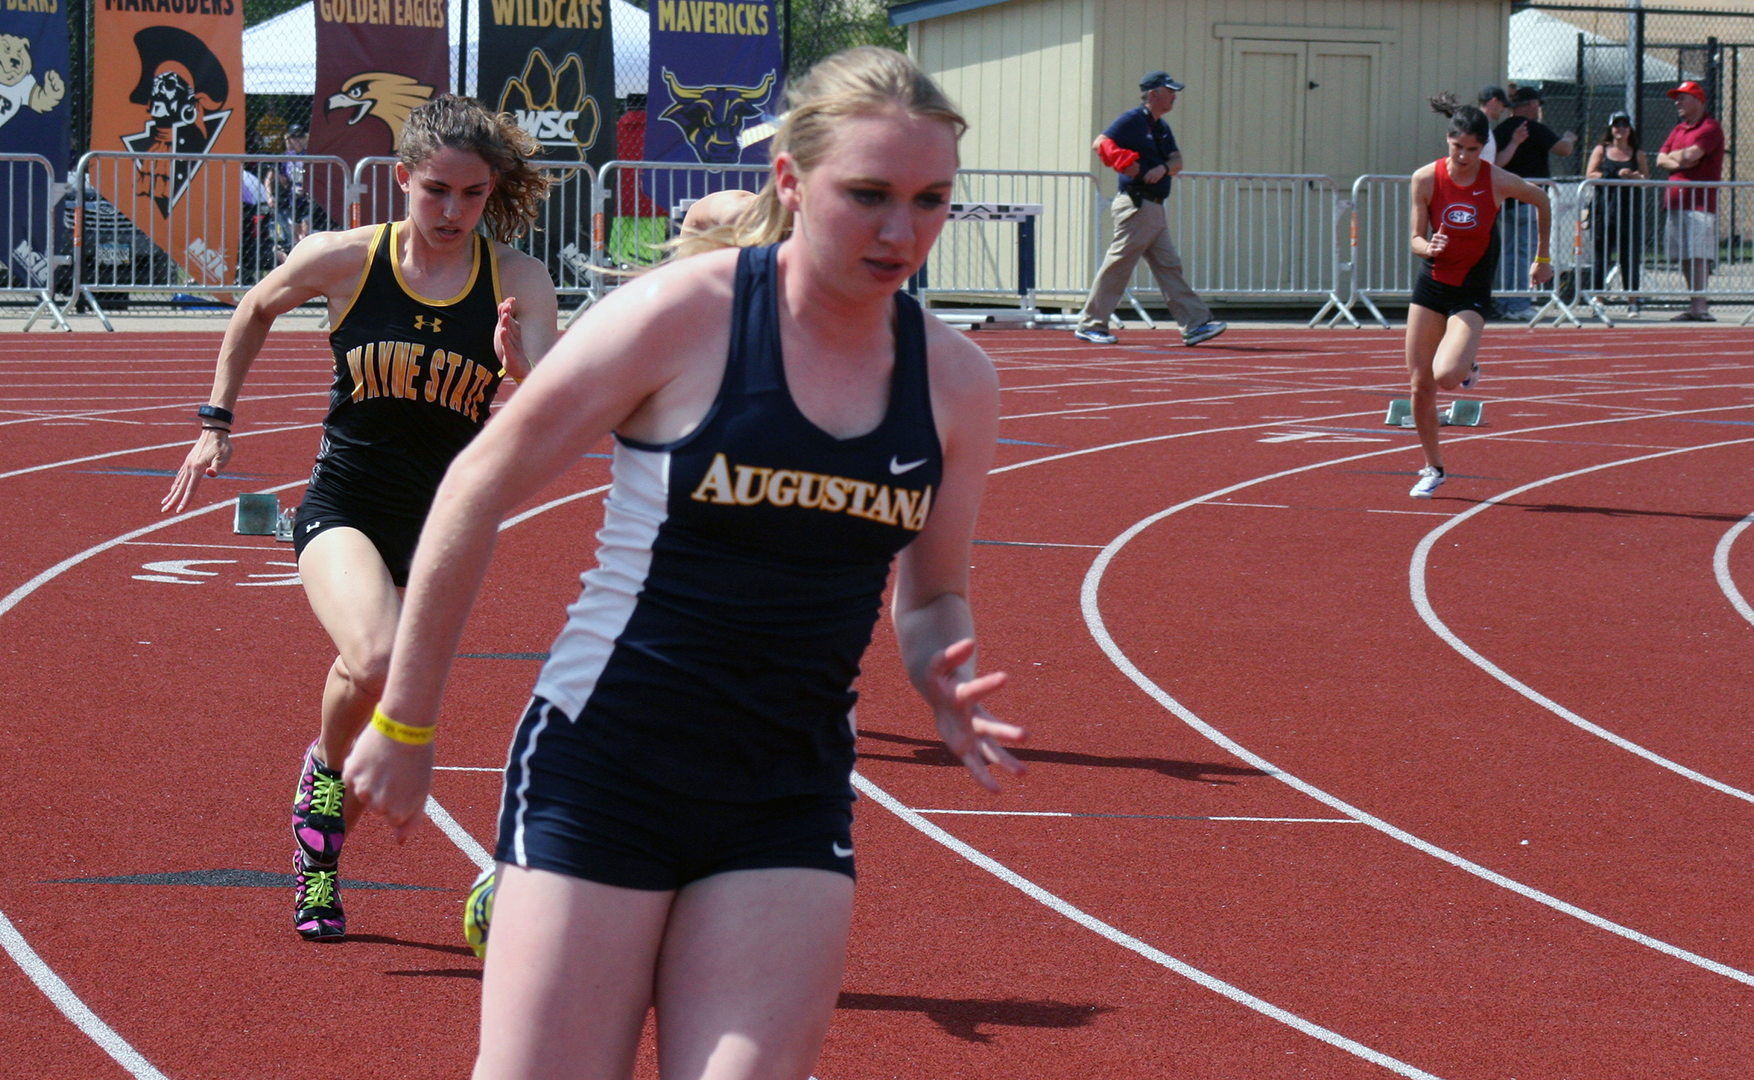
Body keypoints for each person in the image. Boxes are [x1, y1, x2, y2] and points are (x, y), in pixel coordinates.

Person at [341, 46, 1026, 1079]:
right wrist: (406, 720)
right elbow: (476, 487)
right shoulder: (684, 316)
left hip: (785, 794)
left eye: (931, 200)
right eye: (870, 195)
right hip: (604, 767)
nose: (902, 231)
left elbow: (932, 591)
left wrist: (939, 671)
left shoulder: (956, 383)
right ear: (791, 183)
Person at [160, 97, 559, 941]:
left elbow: (555, 410)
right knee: (376, 657)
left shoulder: (516, 281)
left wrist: (524, 370)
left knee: (368, 680)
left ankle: (322, 809)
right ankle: (326, 792)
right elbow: (257, 305)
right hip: (343, 503)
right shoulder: (345, 258)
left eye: (473, 195)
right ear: (404, 179)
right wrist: (215, 422)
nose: (453, 212)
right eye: (436, 191)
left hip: (442, 526)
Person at [1403, 93, 1552, 500]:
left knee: (1446, 377)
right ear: (1447, 142)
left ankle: (1467, 365)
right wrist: (1426, 247)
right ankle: (1433, 467)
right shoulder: (1426, 179)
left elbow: (1542, 200)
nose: (1465, 157)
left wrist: (1542, 258)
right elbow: (1415, 237)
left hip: (1471, 289)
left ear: (1483, 146)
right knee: (1420, 386)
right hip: (1431, 286)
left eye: (1473, 149)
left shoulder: (1496, 180)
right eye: (1458, 148)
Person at [1072, 71, 1226, 348]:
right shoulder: (1133, 119)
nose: (1174, 96)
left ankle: (1195, 323)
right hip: (1137, 204)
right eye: (1170, 91)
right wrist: (1125, 163)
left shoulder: (1161, 127)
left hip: (1153, 208)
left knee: (1168, 265)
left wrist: (1162, 168)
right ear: (1153, 94)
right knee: (1119, 265)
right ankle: (1090, 324)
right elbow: (1101, 143)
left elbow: (1177, 160)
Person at [1490, 86, 1574, 320]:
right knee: (1523, 254)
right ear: (1531, 104)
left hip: (1505, 202)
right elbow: (1564, 149)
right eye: (1536, 104)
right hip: (1527, 202)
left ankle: (1506, 301)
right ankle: (1517, 304)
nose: (1538, 110)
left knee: (1508, 254)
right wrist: (1569, 137)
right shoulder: (1530, 128)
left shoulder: (1501, 129)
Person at [1654, 80, 1725, 321]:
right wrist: (1680, 159)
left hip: (1700, 203)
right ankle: (1693, 304)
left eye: (1682, 97)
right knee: (1683, 255)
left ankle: (1700, 306)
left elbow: (1693, 155)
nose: (1677, 102)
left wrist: (1681, 158)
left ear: (1697, 100)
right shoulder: (1678, 129)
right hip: (1675, 201)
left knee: (1697, 254)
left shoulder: (1710, 127)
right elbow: (1661, 159)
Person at [1585, 111, 1649, 314]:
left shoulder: (1637, 152)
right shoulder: (1601, 150)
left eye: (1624, 125)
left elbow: (1647, 178)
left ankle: (1632, 302)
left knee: (1629, 257)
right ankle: (1599, 300)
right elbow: (1590, 173)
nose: (1620, 129)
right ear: (1610, 129)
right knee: (1601, 256)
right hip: (1605, 209)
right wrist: (1614, 174)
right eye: (1616, 125)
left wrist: (1637, 177)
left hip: (1629, 211)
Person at [1476, 85, 1509, 163]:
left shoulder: (1483, 125)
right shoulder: (1478, 125)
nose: (1503, 110)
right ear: (1494, 102)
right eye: (1503, 105)